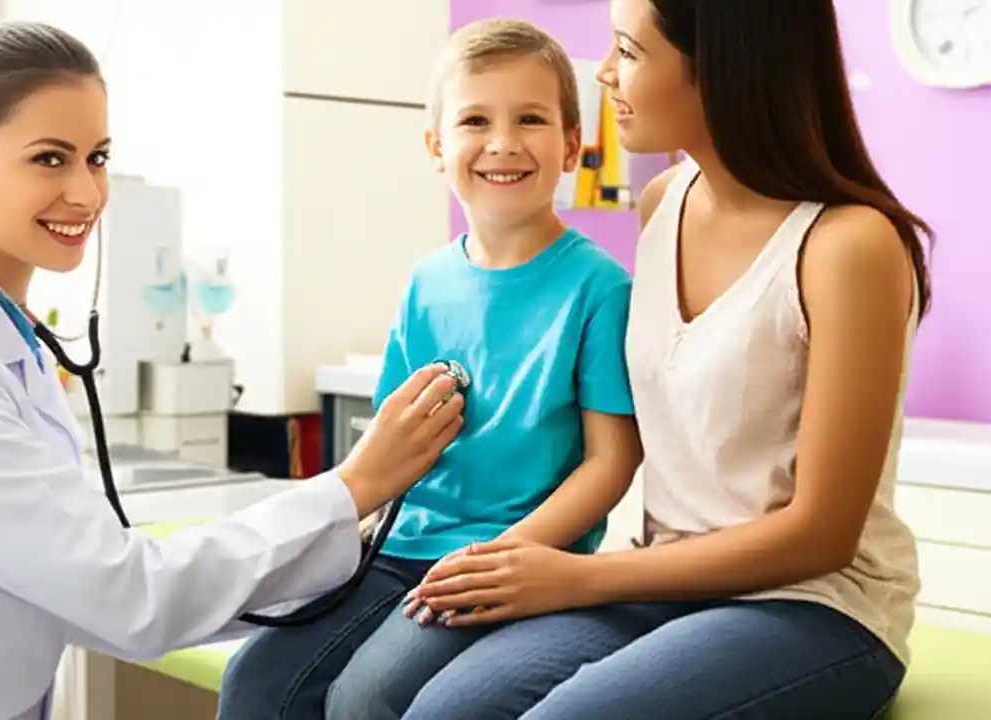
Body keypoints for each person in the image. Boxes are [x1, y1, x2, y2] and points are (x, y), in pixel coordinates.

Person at [0, 21, 464, 720]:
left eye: (96, 158)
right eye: (48, 159)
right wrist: (354, 486)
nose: (87, 194)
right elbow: (127, 599)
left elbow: (83, 586)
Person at [397, 1, 932, 718]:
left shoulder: (850, 246)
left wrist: (575, 577)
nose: (607, 73)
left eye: (629, 50)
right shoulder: (663, 202)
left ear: (720, 69)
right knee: (442, 712)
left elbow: (822, 535)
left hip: (816, 605)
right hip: (664, 584)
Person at [218, 18, 643, 720]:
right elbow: (386, 449)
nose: (503, 142)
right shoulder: (426, 283)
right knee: (256, 683)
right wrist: (333, 534)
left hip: (506, 560)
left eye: (530, 119)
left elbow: (612, 462)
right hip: (393, 552)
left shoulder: (599, 289)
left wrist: (507, 556)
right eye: (475, 119)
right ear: (435, 146)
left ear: (572, 144)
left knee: (367, 698)